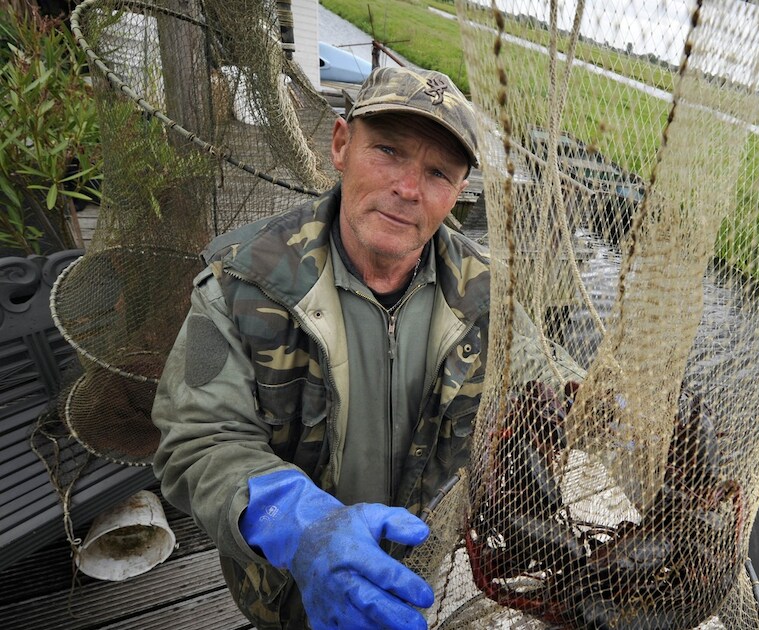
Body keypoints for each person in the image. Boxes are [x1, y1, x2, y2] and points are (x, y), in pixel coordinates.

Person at [152, 66, 582, 630]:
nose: (408, 189)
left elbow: (550, 380)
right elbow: (197, 441)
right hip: (289, 591)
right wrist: (299, 525)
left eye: (437, 172)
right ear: (340, 145)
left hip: (419, 575)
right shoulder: (239, 279)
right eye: (388, 151)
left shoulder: (488, 292)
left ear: (458, 192)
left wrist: (594, 408)